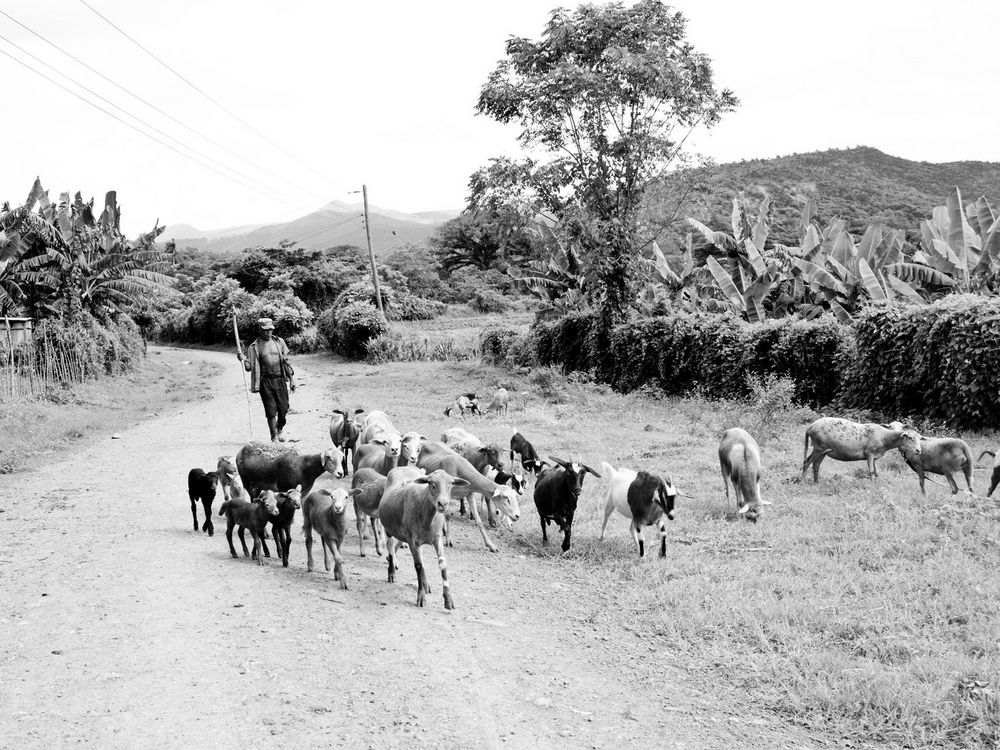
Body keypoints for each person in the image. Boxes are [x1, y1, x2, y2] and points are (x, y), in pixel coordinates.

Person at [237, 317, 295, 442]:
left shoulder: (279, 342)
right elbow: (248, 368)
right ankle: (273, 437)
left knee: (284, 409)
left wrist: (292, 380)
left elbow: (286, 362)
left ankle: (280, 428)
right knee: (271, 411)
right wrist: (242, 358)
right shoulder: (254, 347)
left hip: (280, 379)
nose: (269, 333)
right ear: (260, 330)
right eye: (266, 330)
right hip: (265, 382)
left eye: (270, 330)